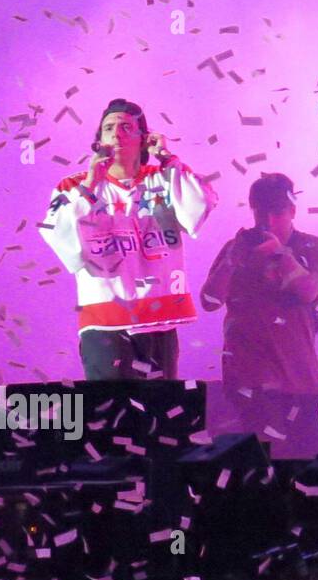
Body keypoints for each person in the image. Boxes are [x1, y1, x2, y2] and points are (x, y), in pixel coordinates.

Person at [40, 98, 217, 381]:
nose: (117, 133)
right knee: (113, 417)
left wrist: (167, 158)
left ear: (144, 139)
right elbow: (59, 236)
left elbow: (198, 206)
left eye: (126, 127)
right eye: (109, 128)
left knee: (159, 417)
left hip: (159, 319)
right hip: (105, 322)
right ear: (98, 141)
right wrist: (91, 184)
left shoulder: (163, 177)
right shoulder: (73, 186)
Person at [201, 172, 318, 401]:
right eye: (261, 213)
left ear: (292, 211)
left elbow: (308, 291)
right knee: (258, 436)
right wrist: (230, 262)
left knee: (300, 436)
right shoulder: (237, 247)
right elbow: (209, 302)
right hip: (248, 377)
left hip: (297, 375)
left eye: (277, 212)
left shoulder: (309, 245)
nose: (268, 221)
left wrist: (281, 254)